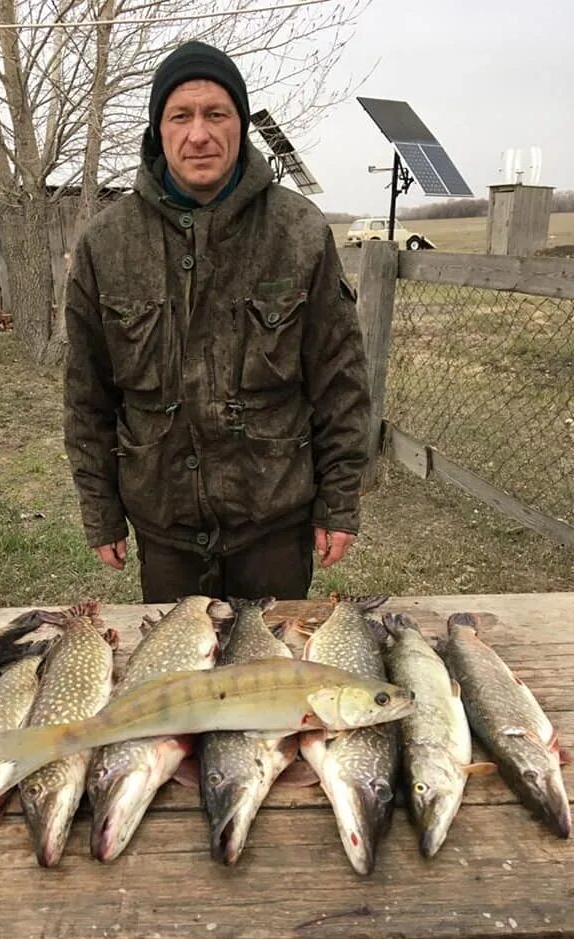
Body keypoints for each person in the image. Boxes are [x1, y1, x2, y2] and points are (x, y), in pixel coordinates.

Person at [63, 40, 371, 603]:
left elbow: (340, 381)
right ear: (158, 130)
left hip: (273, 527)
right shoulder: (106, 244)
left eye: (216, 114)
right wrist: (101, 511)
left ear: (240, 124)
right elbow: (87, 395)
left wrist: (340, 501)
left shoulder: (299, 233)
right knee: (181, 685)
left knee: (272, 683)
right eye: (180, 116)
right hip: (166, 532)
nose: (198, 134)